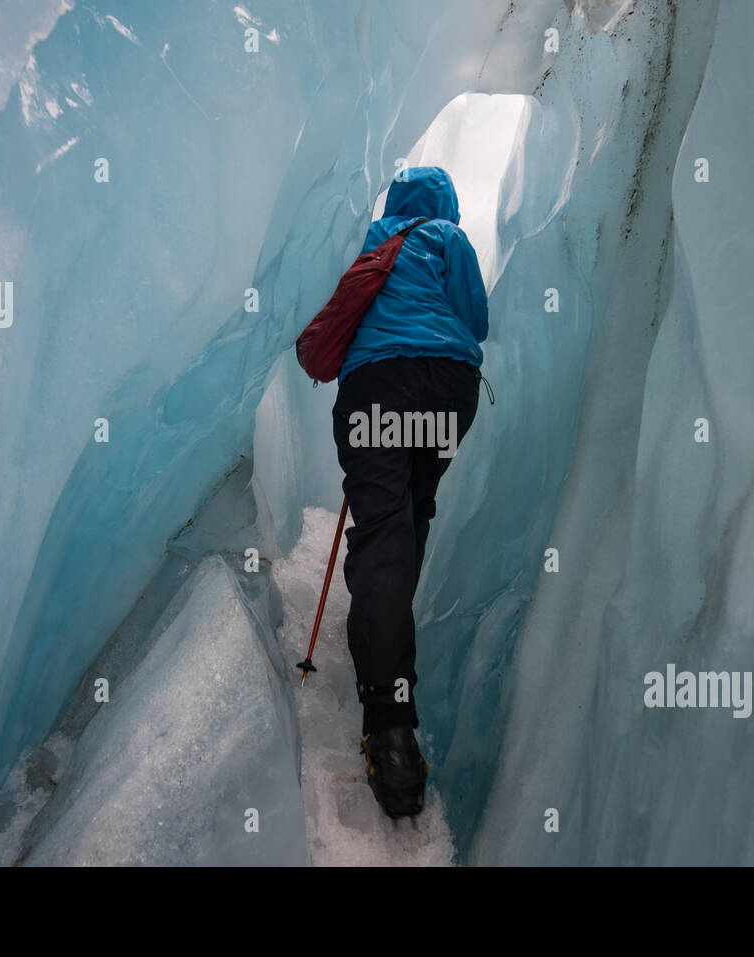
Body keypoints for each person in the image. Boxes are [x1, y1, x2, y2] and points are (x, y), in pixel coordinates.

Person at [331, 166, 489, 819]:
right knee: (410, 518)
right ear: (445, 204)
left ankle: (389, 731)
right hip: (448, 392)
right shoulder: (450, 239)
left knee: (385, 534)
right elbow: (476, 320)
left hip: (378, 391)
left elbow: (347, 314)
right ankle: (382, 610)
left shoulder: (376, 238)